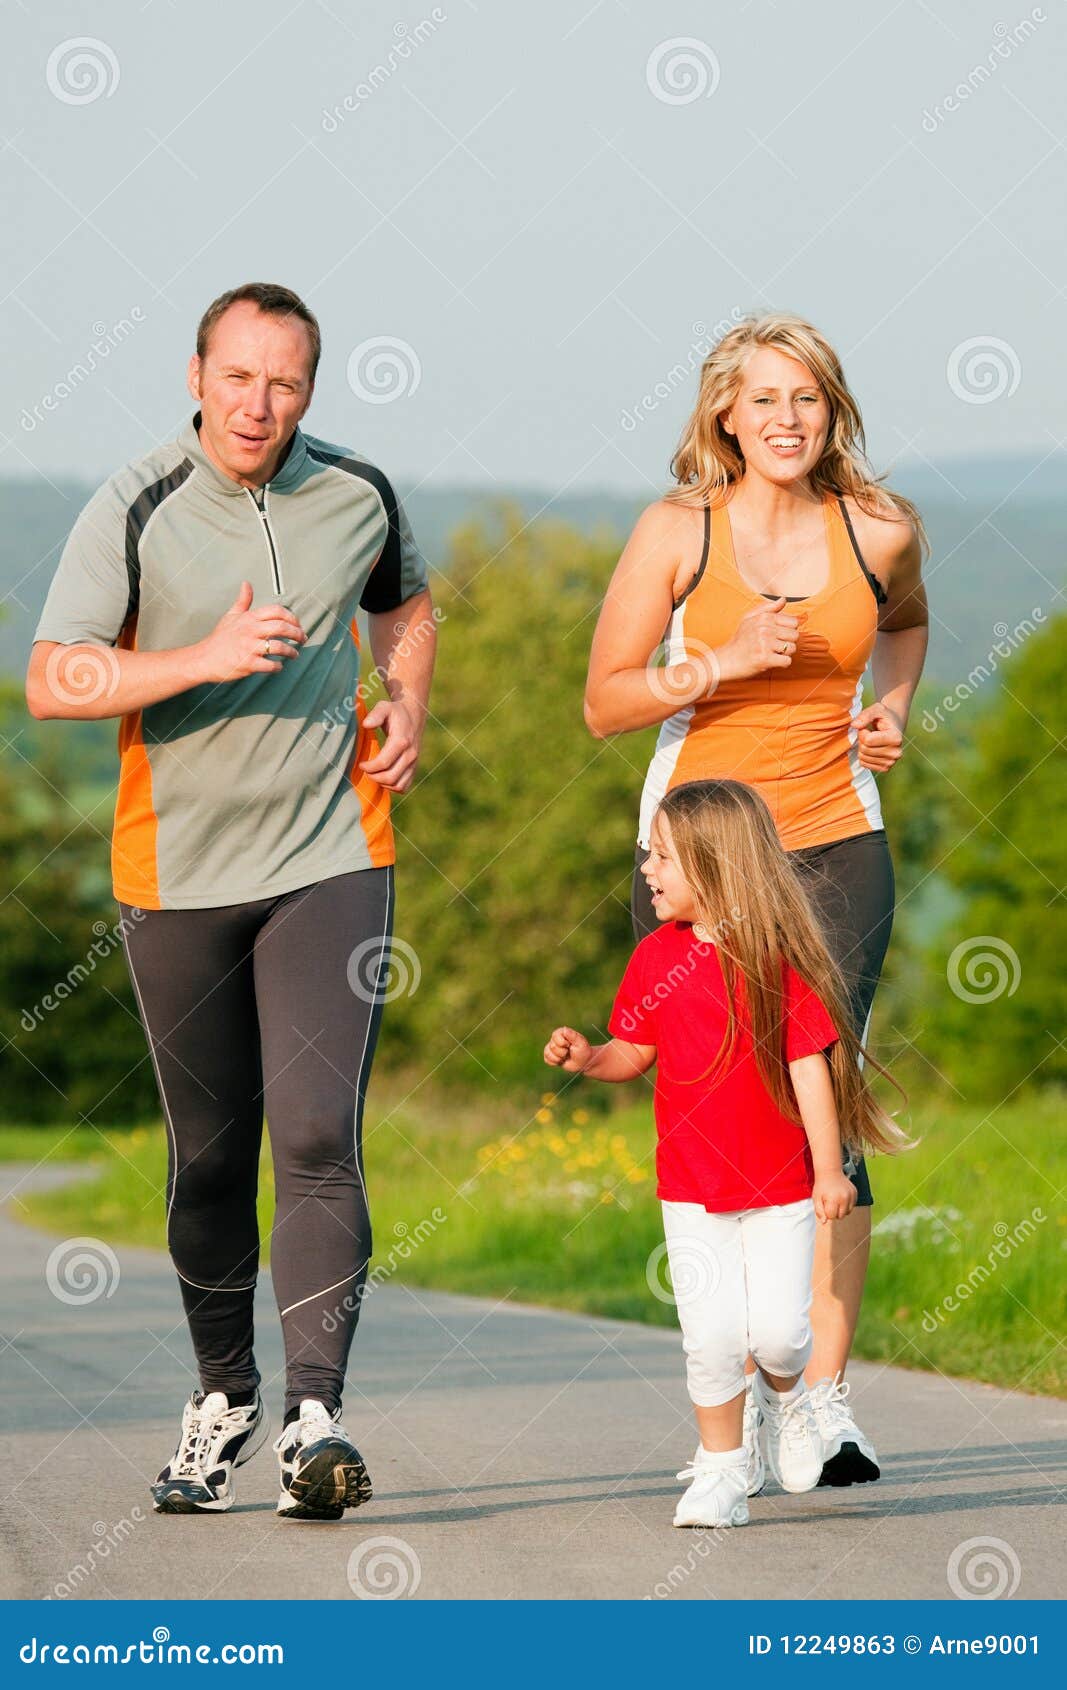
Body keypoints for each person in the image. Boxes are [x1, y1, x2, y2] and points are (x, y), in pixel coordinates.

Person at [26, 282, 436, 1521]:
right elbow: (54, 678)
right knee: (210, 1160)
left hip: (330, 854)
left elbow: (403, 605)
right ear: (197, 374)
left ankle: (316, 1416)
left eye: (287, 382)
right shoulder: (137, 503)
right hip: (180, 871)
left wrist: (407, 701)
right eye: (240, 377)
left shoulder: (355, 490)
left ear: (312, 389)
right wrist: (199, 658)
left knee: (315, 1138)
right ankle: (224, 1396)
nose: (261, 404)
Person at [584, 312, 928, 1485]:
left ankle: (818, 1400)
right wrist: (716, 665)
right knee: (715, 1098)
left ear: (831, 412)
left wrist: (891, 706)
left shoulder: (876, 527)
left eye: (809, 399)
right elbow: (606, 701)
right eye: (764, 399)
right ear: (723, 413)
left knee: (816, 1087)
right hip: (702, 857)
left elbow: (909, 624)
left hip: (836, 840)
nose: (787, 420)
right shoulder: (679, 530)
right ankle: (747, 1383)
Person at [544, 781, 909, 1528]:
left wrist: (829, 1168)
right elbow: (633, 1052)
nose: (646, 868)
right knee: (709, 1337)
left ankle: (789, 1402)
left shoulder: (777, 961)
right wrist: (588, 1057)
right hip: (689, 1187)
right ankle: (719, 1473)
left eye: (663, 856)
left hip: (780, 1187)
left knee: (777, 1331)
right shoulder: (653, 958)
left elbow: (810, 1067)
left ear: (714, 868)